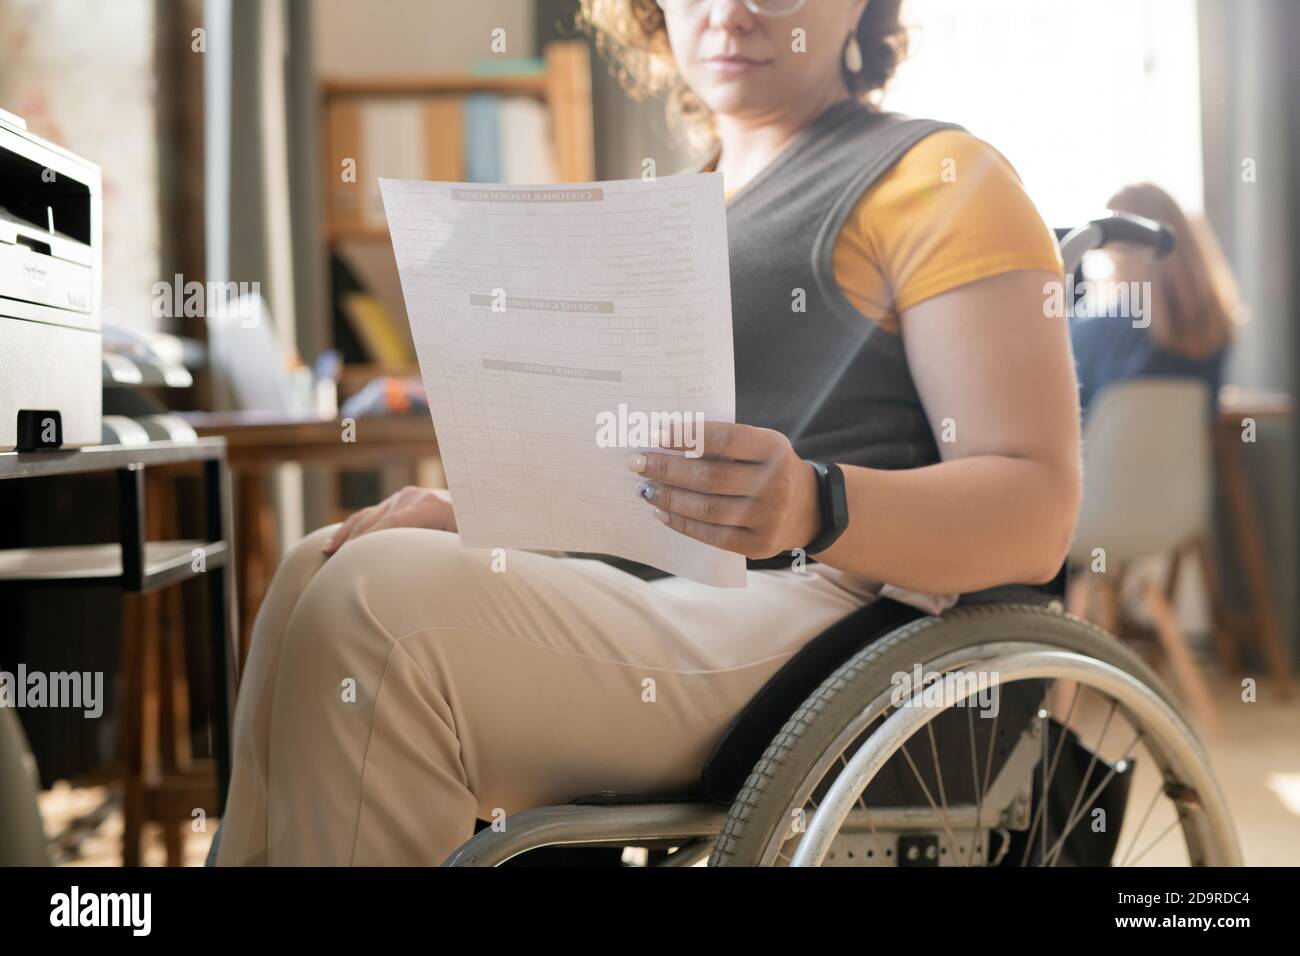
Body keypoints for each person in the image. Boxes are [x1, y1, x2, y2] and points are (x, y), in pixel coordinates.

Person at [216, 0, 1080, 865]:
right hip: (657, 586)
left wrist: (814, 502)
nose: (731, 12)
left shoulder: (939, 174)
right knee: (316, 565)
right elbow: (622, 478)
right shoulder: (685, 200)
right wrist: (482, 514)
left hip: (825, 607)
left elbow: (1036, 511)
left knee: (374, 609)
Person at [1071, 182, 1245, 420]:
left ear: (1127, 251)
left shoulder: (1105, 327)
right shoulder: (1215, 326)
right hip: (1182, 458)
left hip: (1101, 456)